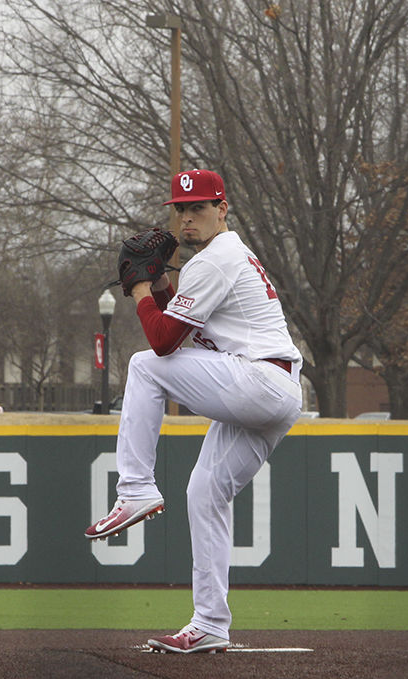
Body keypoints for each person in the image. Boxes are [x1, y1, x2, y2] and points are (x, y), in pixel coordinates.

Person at [85, 169, 303, 654]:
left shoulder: (215, 259)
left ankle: (135, 489)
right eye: (181, 209)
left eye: (198, 207)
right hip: (275, 390)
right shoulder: (223, 257)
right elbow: (183, 329)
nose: (187, 217)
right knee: (205, 494)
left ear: (221, 209)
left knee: (144, 366)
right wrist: (160, 284)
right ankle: (210, 623)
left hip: (257, 380)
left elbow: (164, 342)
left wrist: (140, 291)